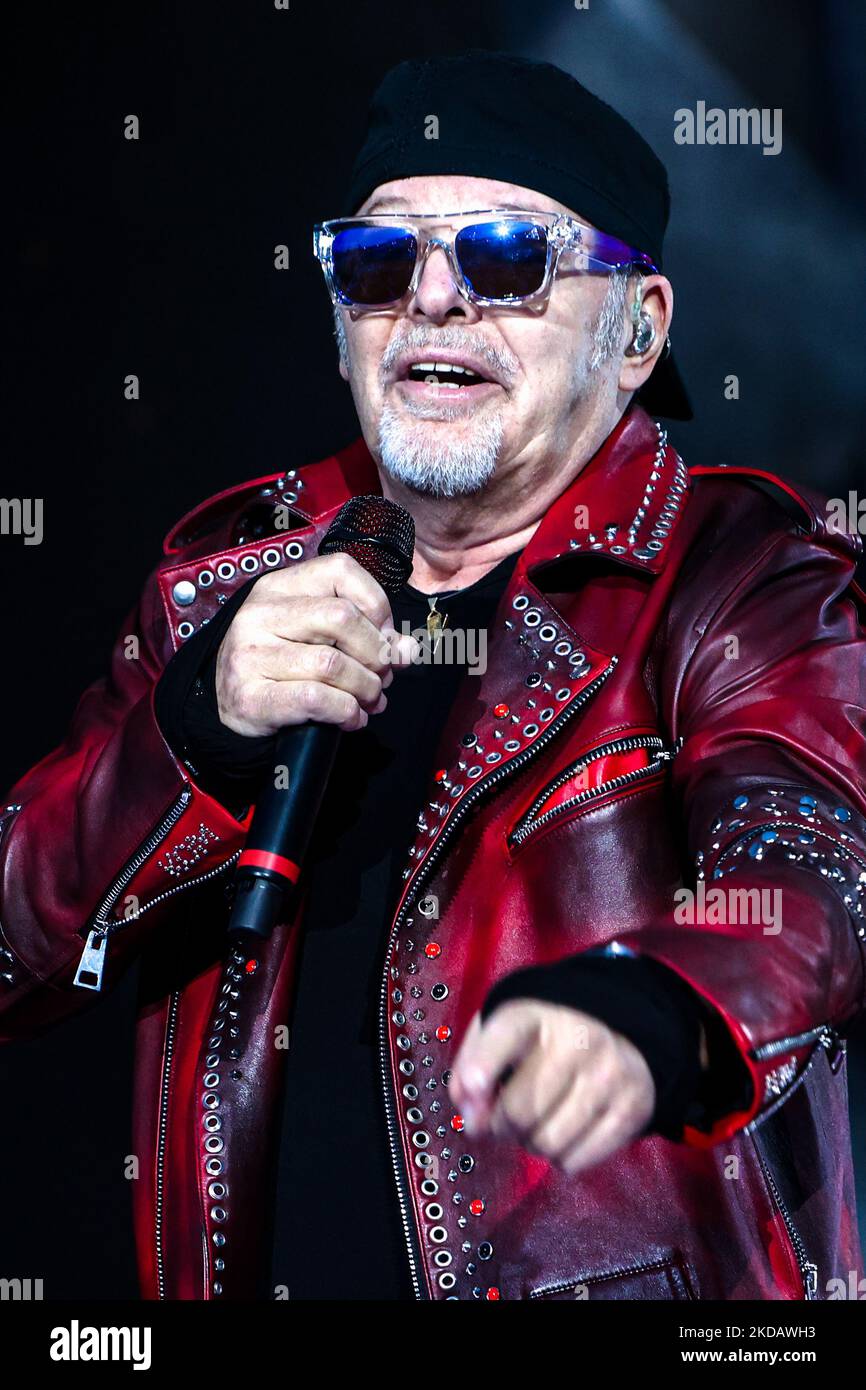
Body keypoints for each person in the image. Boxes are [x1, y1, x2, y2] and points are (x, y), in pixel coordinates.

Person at [1, 50, 864, 1302]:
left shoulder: (739, 574)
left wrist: (659, 1005)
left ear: (637, 329)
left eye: (507, 259)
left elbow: (811, 871)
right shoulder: (221, 584)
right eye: (378, 264)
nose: (434, 304)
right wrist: (194, 728)